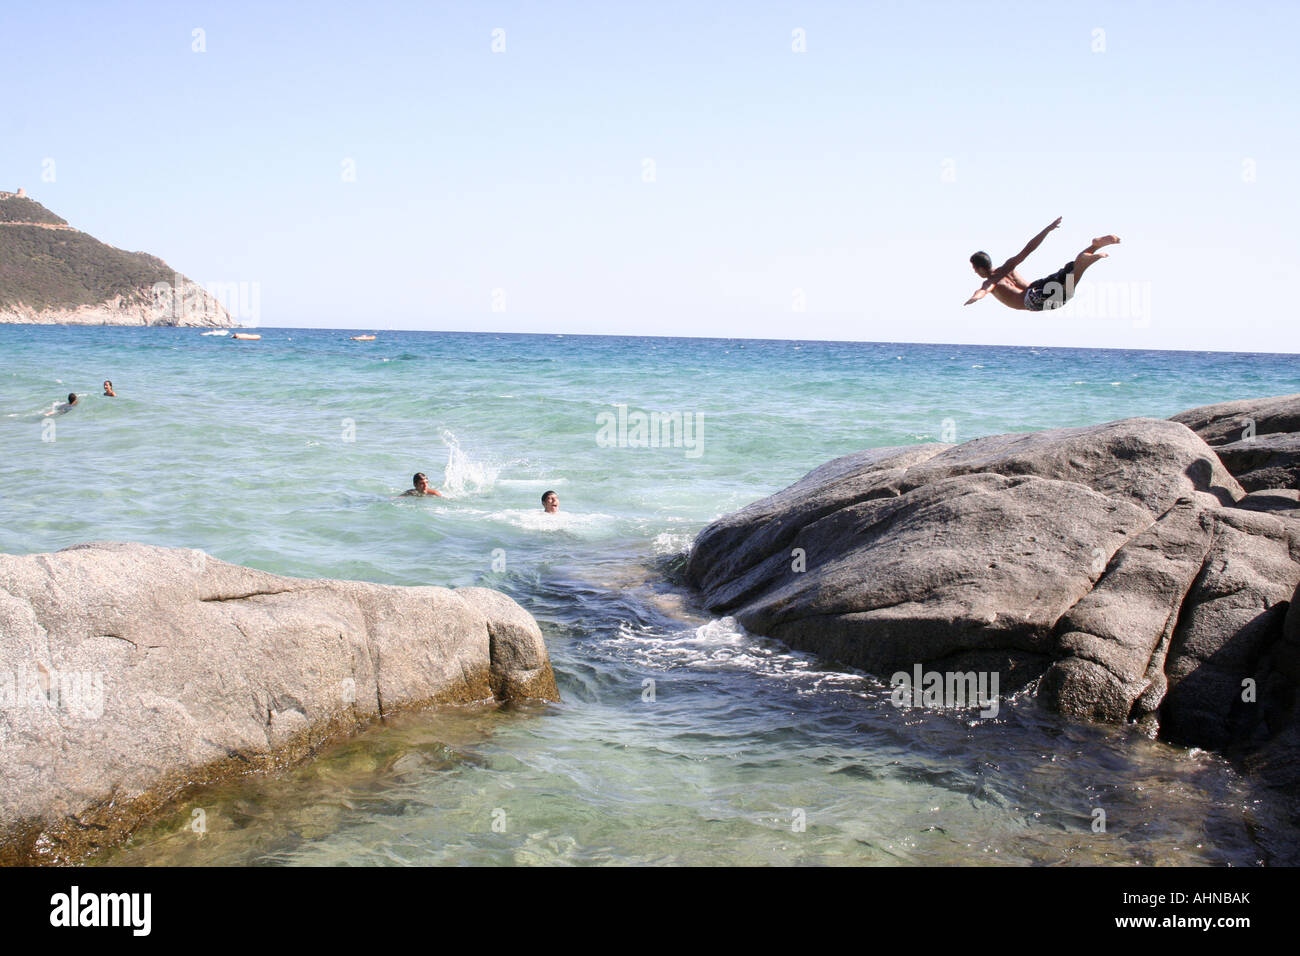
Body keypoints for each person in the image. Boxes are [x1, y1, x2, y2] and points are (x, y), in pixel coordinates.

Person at [964, 217, 1120, 312]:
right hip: (1037, 286)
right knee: (1070, 270)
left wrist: (975, 298)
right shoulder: (1007, 267)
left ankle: (1085, 264)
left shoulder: (990, 281)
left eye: (974, 268)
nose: (974, 272)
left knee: (1066, 293)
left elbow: (984, 290)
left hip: (1031, 300)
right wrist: (1048, 229)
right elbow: (1029, 249)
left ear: (981, 268)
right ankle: (1095, 246)